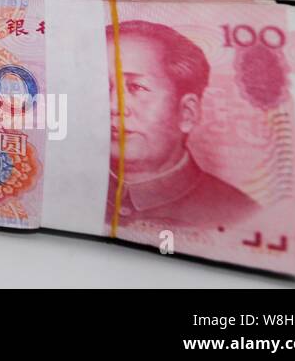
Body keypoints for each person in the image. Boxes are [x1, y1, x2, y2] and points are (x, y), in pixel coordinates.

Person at [105, 20, 258, 228]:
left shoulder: (240, 215)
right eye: (102, 86)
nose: (112, 105)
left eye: (136, 87)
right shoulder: (63, 186)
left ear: (187, 113)